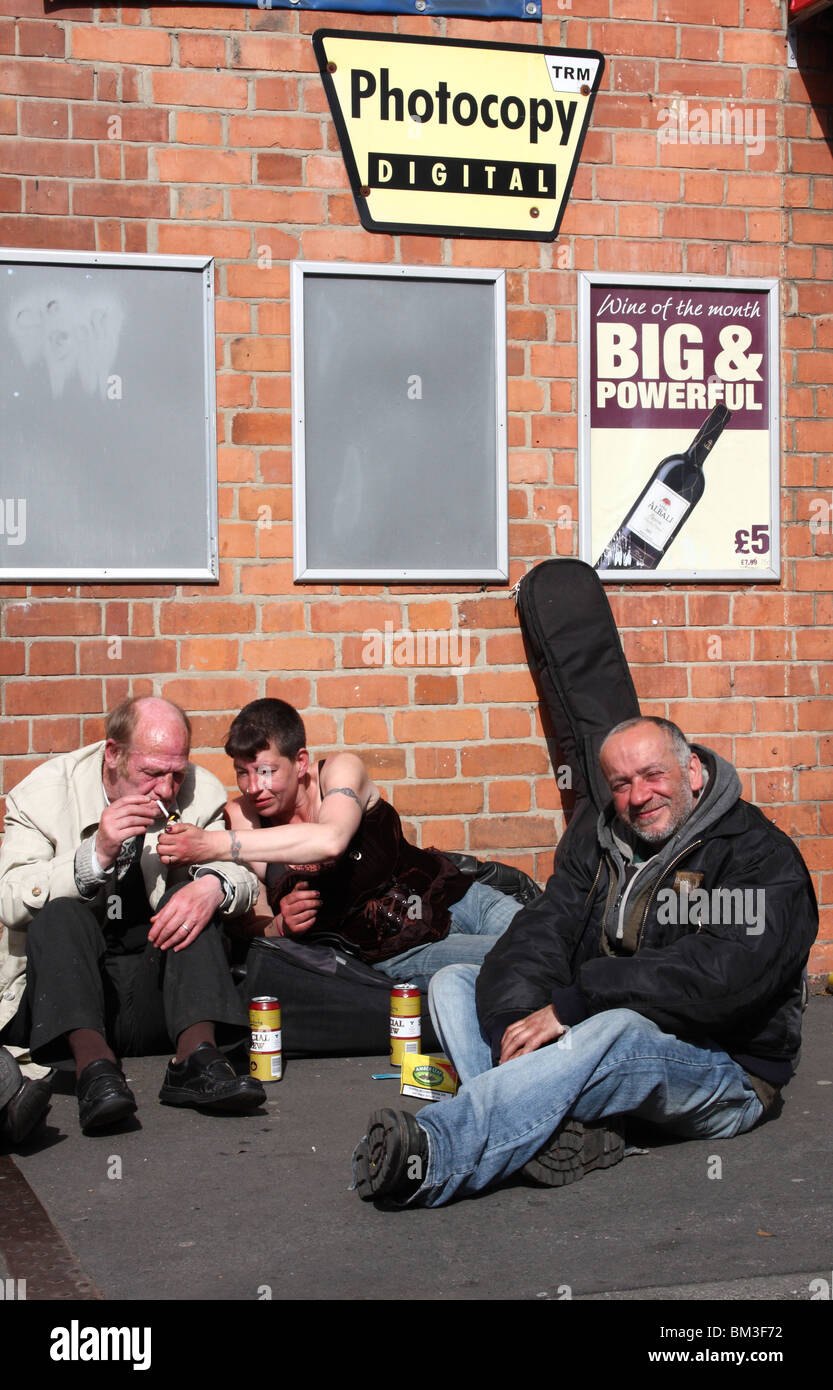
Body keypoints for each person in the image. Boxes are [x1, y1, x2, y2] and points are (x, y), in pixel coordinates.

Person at [350, 716, 818, 1207]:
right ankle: (555, 1123)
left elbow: (721, 978)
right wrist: (514, 1027)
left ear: (693, 771)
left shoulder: (759, 857)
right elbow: (541, 933)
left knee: (617, 1027)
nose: (639, 796)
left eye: (653, 775)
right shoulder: (598, 840)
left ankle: (437, 1154)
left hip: (724, 1068)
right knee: (455, 983)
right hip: (602, 1033)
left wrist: (579, 1003)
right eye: (622, 783)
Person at [0, 696, 265, 1135]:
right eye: (152, 773)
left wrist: (213, 885)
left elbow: (241, 877)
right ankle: (95, 1071)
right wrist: (94, 855)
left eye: (176, 773)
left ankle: (196, 1059)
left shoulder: (199, 790)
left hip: (157, 995)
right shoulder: (44, 795)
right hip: (67, 1005)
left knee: (191, 900)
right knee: (59, 912)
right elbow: (9, 901)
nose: (166, 789)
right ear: (113, 755)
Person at [157, 698, 522, 993]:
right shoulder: (242, 817)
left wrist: (210, 844)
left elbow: (330, 840)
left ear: (300, 762)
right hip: (405, 949)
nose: (253, 787)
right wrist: (280, 925)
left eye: (265, 771)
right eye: (242, 771)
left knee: (556, 938)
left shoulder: (340, 772)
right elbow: (252, 918)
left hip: (464, 898)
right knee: (531, 958)